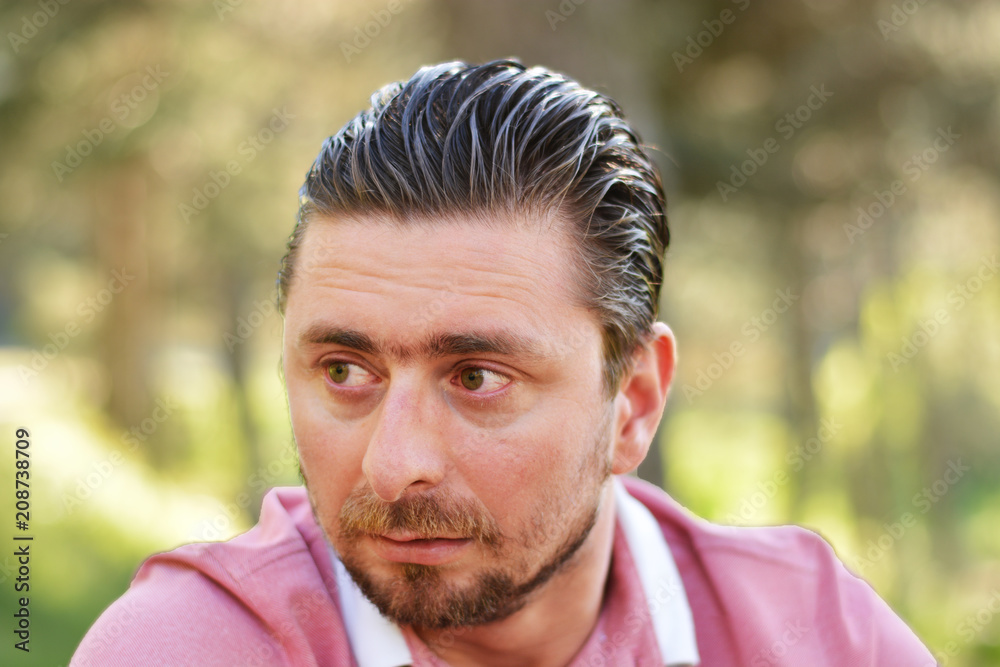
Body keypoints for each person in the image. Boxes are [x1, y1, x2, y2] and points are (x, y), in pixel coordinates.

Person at [72, 60, 935, 666]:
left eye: (477, 377)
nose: (394, 463)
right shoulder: (189, 648)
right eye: (345, 370)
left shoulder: (812, 635)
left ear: (631, 402)